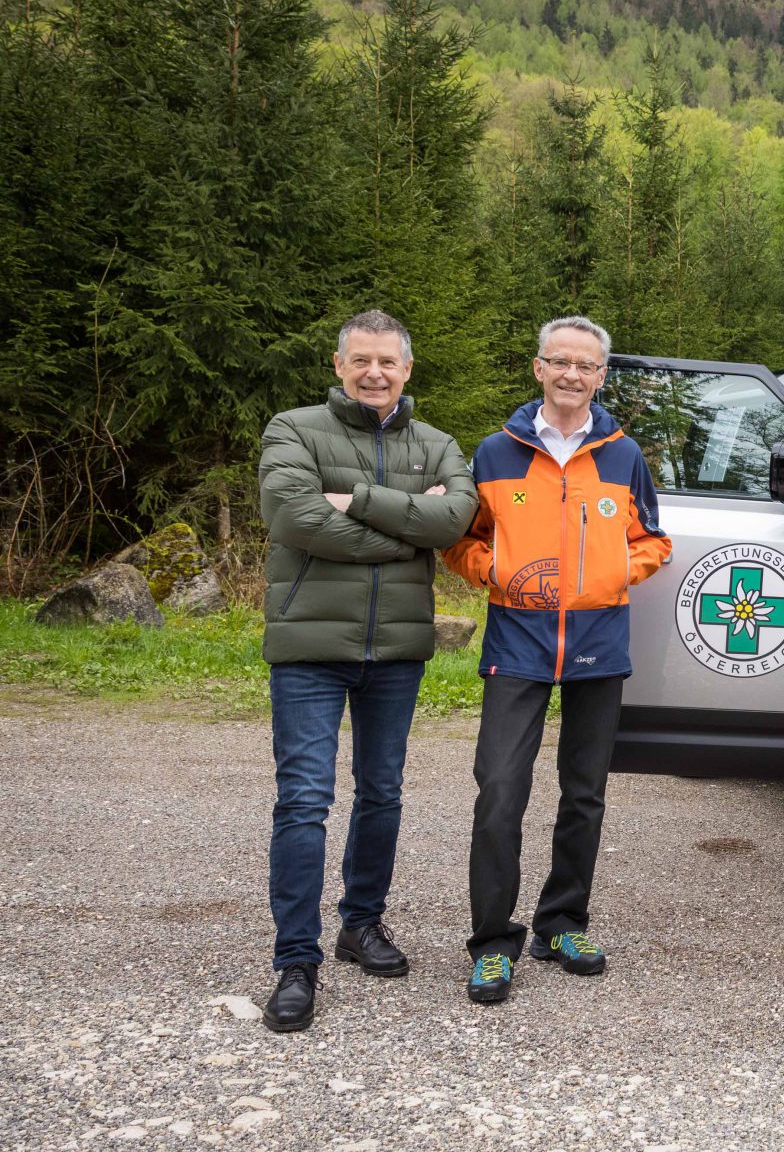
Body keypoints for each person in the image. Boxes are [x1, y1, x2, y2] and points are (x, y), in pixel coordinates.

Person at [255, 310, 479, 1033]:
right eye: (361, 360)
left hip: (395, 653)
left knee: (381, 794)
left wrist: (360, 502)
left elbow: (455, 524)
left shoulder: (437, 444)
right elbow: (294, 519)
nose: (375, 373)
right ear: (339, 363)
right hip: (309, 651)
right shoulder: (292, 429)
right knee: (304, 802)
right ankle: (296, 960)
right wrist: (404, 532)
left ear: (407, 368)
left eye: (388, 361)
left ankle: (361, 925)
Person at [445, 316, 673, 1004]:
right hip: (517, 645)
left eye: (586, 365)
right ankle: (491, 942)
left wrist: (612, 573)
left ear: (601, 376)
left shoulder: (623, 454)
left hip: (599, 647)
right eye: (560, 362)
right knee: (500, 793)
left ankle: (562, 921)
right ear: (538, 368)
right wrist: (496, 572)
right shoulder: (495, 453)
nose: (573, 374)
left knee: (584, 795)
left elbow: (654, 541)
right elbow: (460, 542)